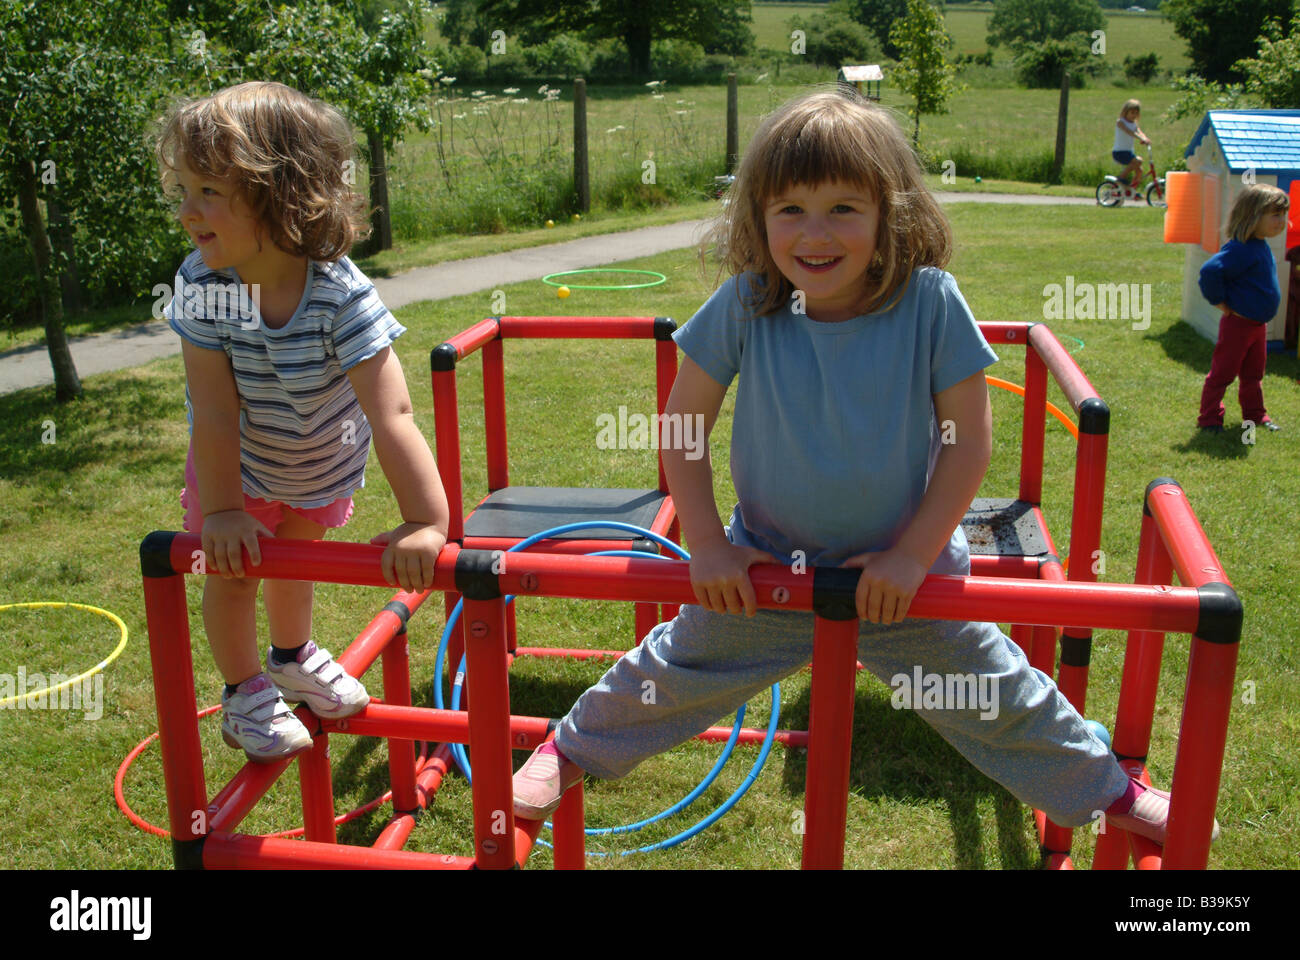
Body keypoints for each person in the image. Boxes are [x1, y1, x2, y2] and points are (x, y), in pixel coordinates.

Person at [511, 89, 1213, 850]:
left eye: (844, 208)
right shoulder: (747, 302)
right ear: (758, 218)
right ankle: (569, 748)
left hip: (899, 577)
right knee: (674, 669)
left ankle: (1108, 789)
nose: (816, 234)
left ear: (890, 215)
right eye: (790, 210)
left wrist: (912, 555)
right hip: (769, 569)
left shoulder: (930, 303)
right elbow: (683, 429)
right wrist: (709, 545)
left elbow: (966, 443)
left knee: (995, 691)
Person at [156, 81, 449, 762]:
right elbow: (215, 410)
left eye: (208, 193)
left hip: (319, 461)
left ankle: (291, 656)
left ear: (276, 195)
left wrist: (426, 521)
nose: (187, 214)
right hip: (241, 468)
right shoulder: (206, 286)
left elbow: (391, 411)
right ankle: (244, 693)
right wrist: (224, 510)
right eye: (185, 192)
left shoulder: (339, 295)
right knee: (234, 570)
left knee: (295, 556)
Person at [1197, 183, 1290, 433]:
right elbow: (1209, 272)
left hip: (1258, 327)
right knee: (1222, 373)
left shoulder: (1260, 245)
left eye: (1284, 214)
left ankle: (1256, 414)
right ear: (1253, 215)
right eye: (1276, 215)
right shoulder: (1241, 248)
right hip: (1238, 325)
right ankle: (1209, 419)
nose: (1282, 221)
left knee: (1253, 374)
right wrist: (1220, 302)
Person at [1112, 99, 1150, 189]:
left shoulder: (1134, 123)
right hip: (1119, 152)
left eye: (1136, 113)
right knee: (1139, 161)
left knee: (1140, 171)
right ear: (1126, 112)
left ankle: (1131, 190)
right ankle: (1121, 177)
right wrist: (1141, 138)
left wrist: (1145, 138)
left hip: (1129, 152)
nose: (1134, 115)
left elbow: (1139, 132)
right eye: (1132, 113)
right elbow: (1129, 132)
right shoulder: (1120, 122)